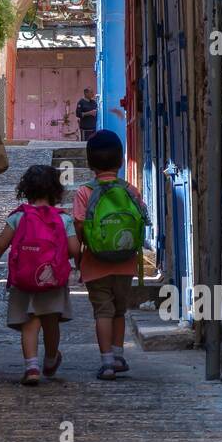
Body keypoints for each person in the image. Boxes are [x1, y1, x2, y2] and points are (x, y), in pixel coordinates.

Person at [0, 165, 81, 385]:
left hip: (24, 281)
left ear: (26, 190)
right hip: (52, 280)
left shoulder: (18, 217)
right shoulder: (63, 219)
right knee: (51, 321)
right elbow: (74, 249)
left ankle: (31, 367)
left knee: (30, 323)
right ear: (56, 190)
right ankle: (51, 358)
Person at [71, 129, 151, 380]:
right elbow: (141, 220)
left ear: (90, 162)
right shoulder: (130, 190)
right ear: (119, 160)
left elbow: (79, 225)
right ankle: (118, 355)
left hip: (96, 263)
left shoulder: (85, 192)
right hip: (126, 262)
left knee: (102, 311)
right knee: (119, 310)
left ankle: (106, 361)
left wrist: (82, 253)